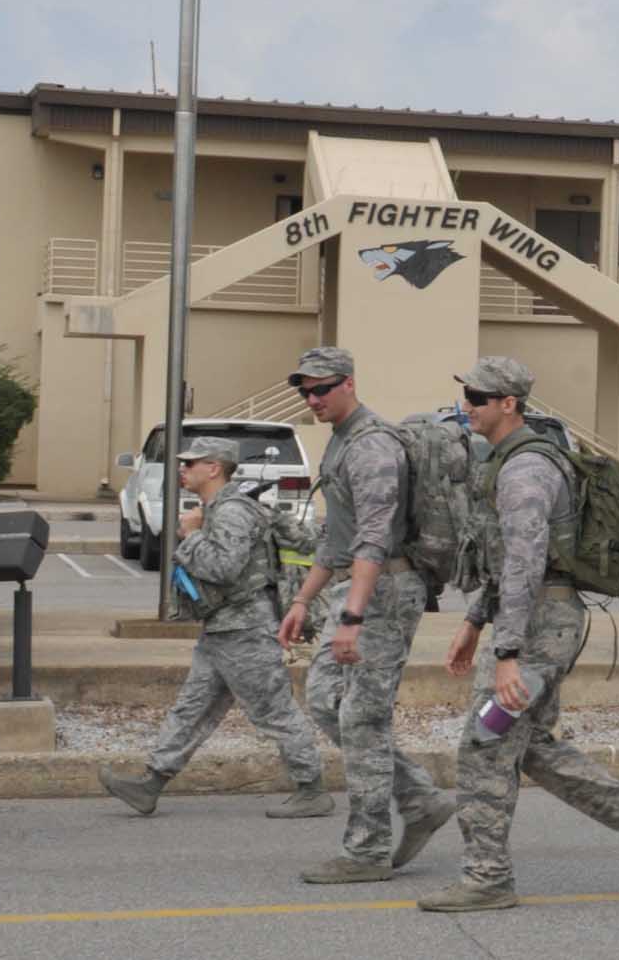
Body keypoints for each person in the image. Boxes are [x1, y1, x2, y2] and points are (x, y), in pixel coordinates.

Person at [423, 358, 619, 913]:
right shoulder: (510, 461)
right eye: (467, 394)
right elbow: (502, 562)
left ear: (508, 404)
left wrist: (507, 652)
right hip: (537, 621)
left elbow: (524, 562)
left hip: (538, 629)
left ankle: (487, 877)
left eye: (477, 396)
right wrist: (473, 622)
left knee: (484, 745)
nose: (466, 405)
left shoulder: (526, 472)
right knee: (529, 744)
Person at [277, 347, 456, 885]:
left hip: (386, 589)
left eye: (322, 388)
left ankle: (368, 849)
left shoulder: (374, 446)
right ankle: (420, 798)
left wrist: (352, 618)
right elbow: (338, 539)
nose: (313, 399)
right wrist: (304, 600)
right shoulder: (339, 443)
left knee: (362, 716)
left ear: (349, 384)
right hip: (358, 587)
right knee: (324, 700)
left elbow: (375, 537)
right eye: (305, 390)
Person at [97, 436, 331, 820]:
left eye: (190, 464)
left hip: (245, 629)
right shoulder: (217, 508)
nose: (182, 470)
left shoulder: (233, 511)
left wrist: (190, 536)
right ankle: (150, 784)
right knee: (192, 708)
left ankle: (311, 789)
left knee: (274, 711)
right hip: (223, 627)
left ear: (214, 468)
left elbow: (223, 568)